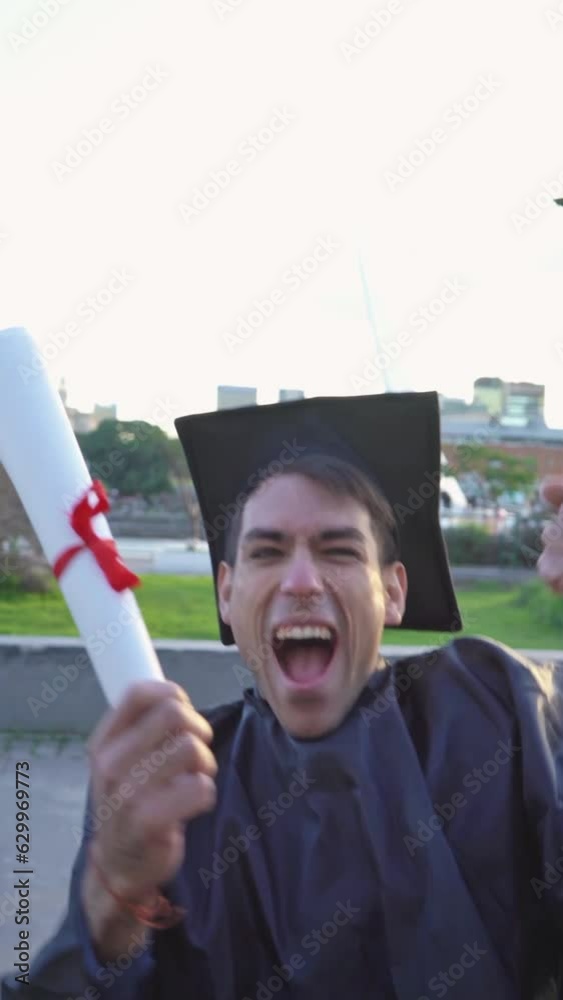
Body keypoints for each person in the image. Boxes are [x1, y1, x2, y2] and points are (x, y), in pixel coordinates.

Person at [2, 392, 563, 999]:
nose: (300, 581)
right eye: (266, 552)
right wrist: (110, 906)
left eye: (339, 550)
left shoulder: (497, 715)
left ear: (394, 592)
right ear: (226, 592)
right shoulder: (165, 785)